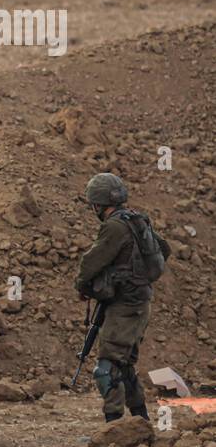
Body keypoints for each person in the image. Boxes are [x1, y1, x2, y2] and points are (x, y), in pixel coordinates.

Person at [74, 173, 170, 423]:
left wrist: (83, 285)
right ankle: (142, 422)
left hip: (124, 305)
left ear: (98, 203)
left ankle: (113, 429)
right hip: (139, 302)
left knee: (106, 369)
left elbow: (91, 262)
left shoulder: (114, 226)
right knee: (123, 366)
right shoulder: (138, 220)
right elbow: (164, 250)